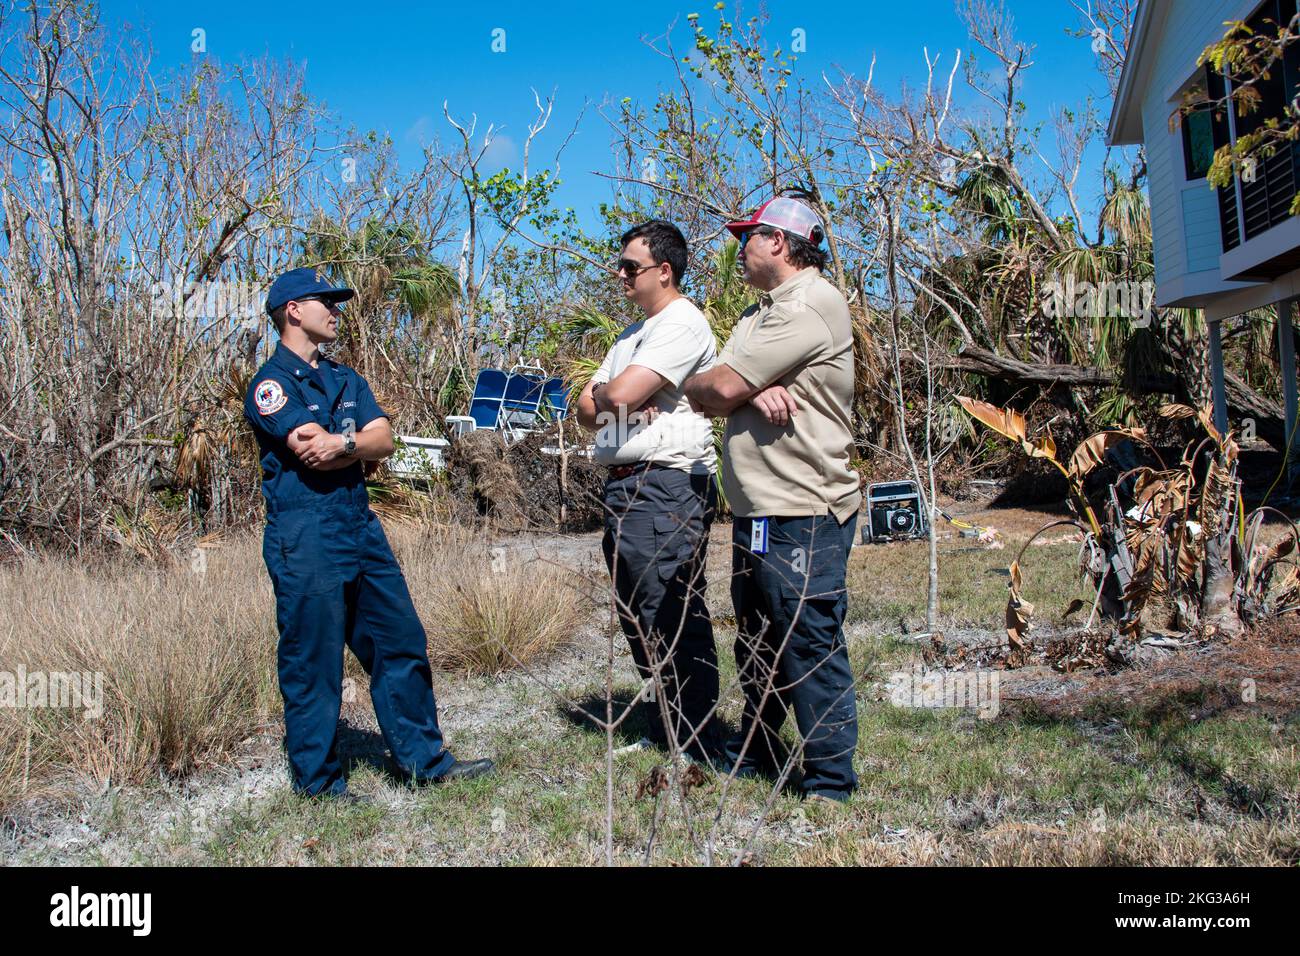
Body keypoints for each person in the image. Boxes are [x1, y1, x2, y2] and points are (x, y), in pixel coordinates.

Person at [244, 267, 493, 802]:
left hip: (360, 526)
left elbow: (383, 440)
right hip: (305, 531)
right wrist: (350, 442)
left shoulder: (347, 378)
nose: (336, 311)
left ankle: (424, 761)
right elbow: (308, 446)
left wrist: (346, 444)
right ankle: (319, 783)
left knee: (399, 640)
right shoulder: (270, 384)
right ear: (292, 310)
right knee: (314, 658)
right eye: (325, 302)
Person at [683, 197, 862, 801]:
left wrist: (735, 388)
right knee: (758, 634)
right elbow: (700, 387)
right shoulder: (761, 315)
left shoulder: (811, 303)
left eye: (748, 237)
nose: (740, 248)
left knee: (808, 636)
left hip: (804, 510)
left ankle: (831, 780)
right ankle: (758, 748)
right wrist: (746, 392)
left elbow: (722, 384)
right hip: (760, 512)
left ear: (779, 244)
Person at [575, 221, 720, 764]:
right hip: (623, 488)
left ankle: (698, 740)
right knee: (636, 615)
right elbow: (588, 409)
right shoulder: (630, 335)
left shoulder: (682, 322)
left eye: (630, 267)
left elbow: (618, 393)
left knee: (672, 611)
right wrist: (614, 396)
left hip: (664, 486)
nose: (620, 275)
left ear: (665, 270)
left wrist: (617, 395)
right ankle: (666, 727)